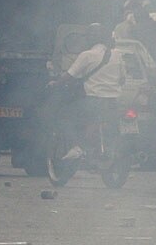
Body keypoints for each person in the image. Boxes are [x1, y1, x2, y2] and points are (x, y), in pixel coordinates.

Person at [49, 23, 123, 161]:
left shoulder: (87, 55)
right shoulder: (117, 55)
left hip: (93, 101)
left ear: (90, 39)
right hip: (113, 102)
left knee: (65, 116)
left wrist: (55, 84)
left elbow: (69, 76)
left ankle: (78, 148)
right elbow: (122, 79)